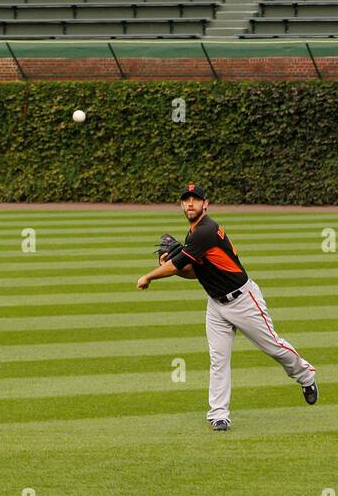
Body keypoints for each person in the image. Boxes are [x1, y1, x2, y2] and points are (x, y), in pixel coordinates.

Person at [136, 183, 318, 430]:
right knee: (218, 359)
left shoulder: (206, 230)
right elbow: (193, 272)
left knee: (273, 347)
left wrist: (149, 275)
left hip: (244, 301)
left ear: (205, 204)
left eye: (196, 199)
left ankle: (305, 375)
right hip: (216, 304)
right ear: (181, 205)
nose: (191, 203)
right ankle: (219, 414)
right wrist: (170, 264)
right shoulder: (194, 234)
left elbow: (178, 266)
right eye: (186, 200)